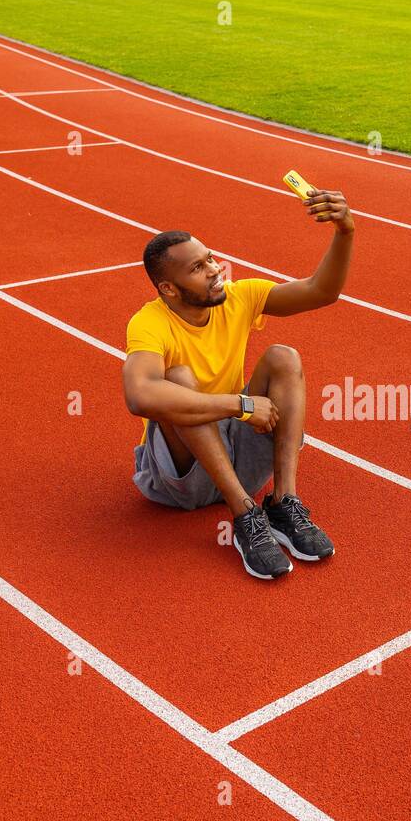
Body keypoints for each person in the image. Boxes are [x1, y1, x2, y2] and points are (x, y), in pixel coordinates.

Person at [121, 187, 355, 579]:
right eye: (197, 268)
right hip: (180, 480)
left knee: (284, 357)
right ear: (168, 289)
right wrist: (242, 406)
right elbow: (139, 395)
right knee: (176, 378)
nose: (214, 269)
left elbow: (321, 292)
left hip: (234, 454)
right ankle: (245, 516)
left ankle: (283, 503)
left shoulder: (238, 297)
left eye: (210, 258)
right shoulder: (149, 322)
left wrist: (344, 231)